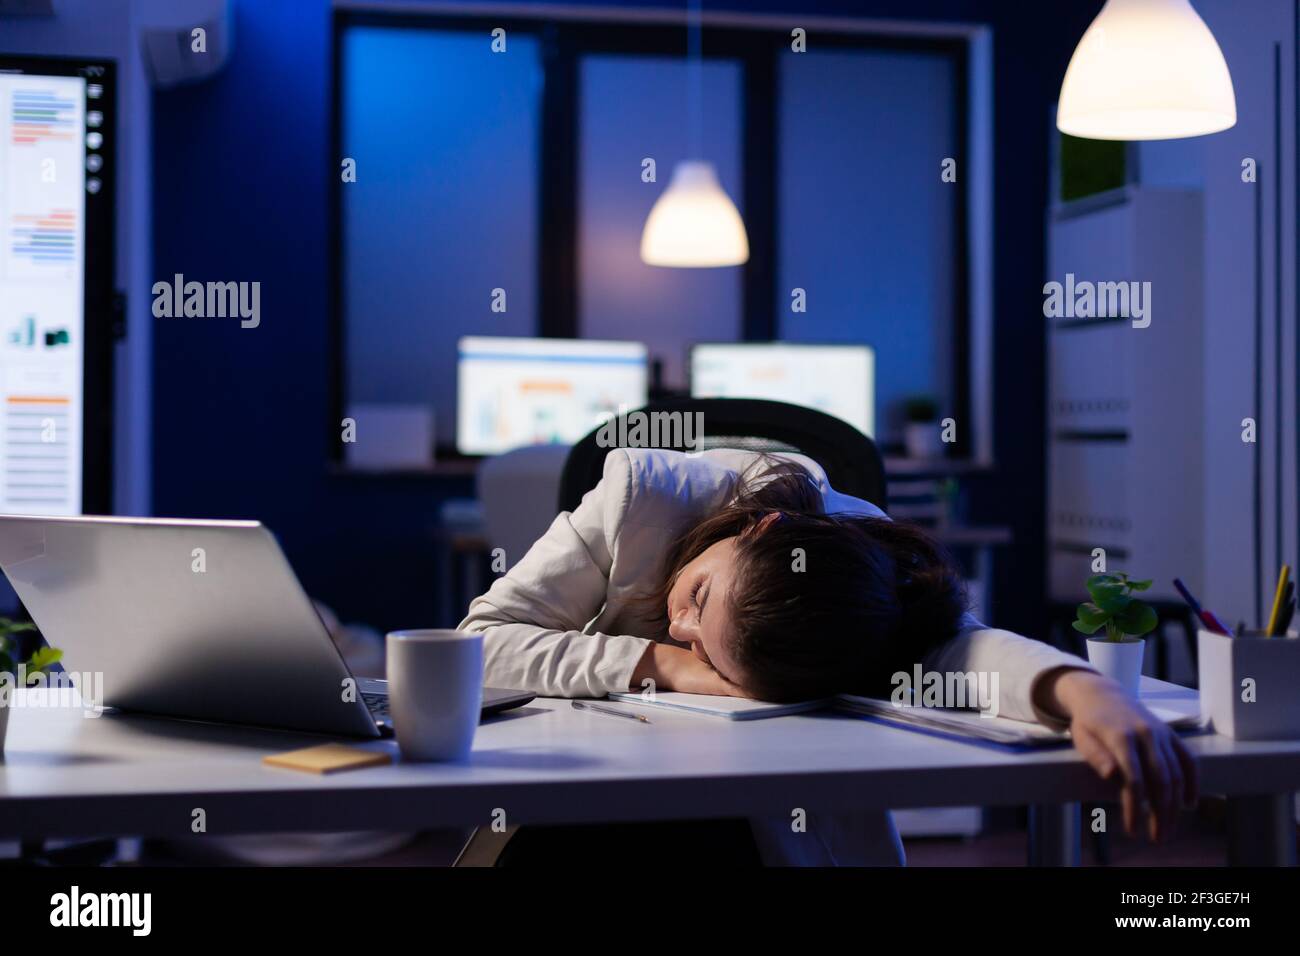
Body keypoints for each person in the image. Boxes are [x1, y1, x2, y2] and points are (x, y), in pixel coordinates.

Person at [460, 448, 1198, 865]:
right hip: (589, 805)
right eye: (698, 599)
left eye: (706, 647)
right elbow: (481, 643)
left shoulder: (859, 587)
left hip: (752, 816)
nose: (683, 627)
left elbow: (961, 648)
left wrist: (1082, 693)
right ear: (758, 526)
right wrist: (659, 661)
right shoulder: (639, 500)